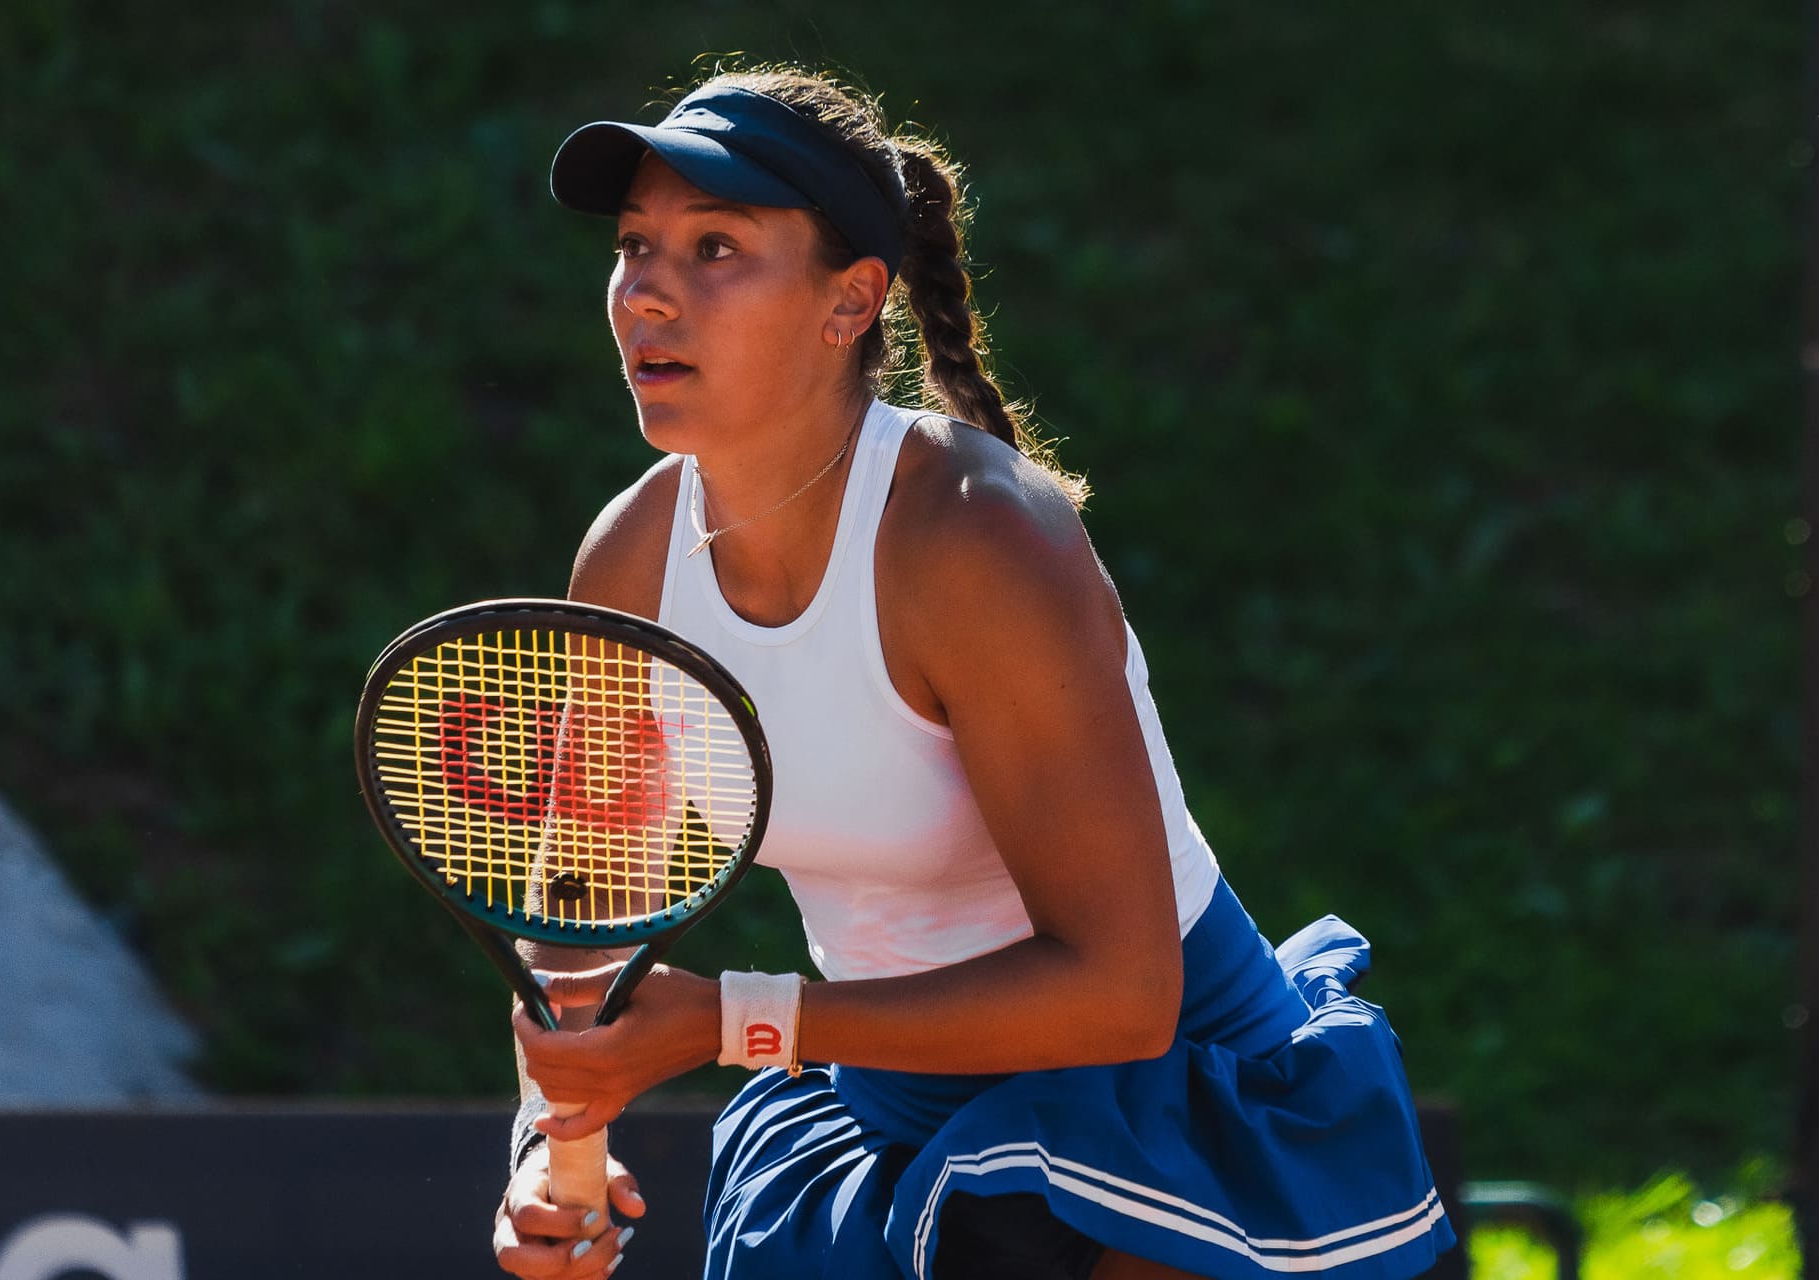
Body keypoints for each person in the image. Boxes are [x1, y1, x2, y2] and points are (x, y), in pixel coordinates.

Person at [492, 63, 1456, 1280]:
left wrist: (738, 1018)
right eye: (636, 246)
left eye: (718, 247)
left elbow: (1122, 991)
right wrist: (549, 1144)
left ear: (850, 303)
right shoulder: (629, 559)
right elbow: (580, 914)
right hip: (896, 1115)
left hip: (1166, 1123)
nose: (649, 294)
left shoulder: (978, 536)